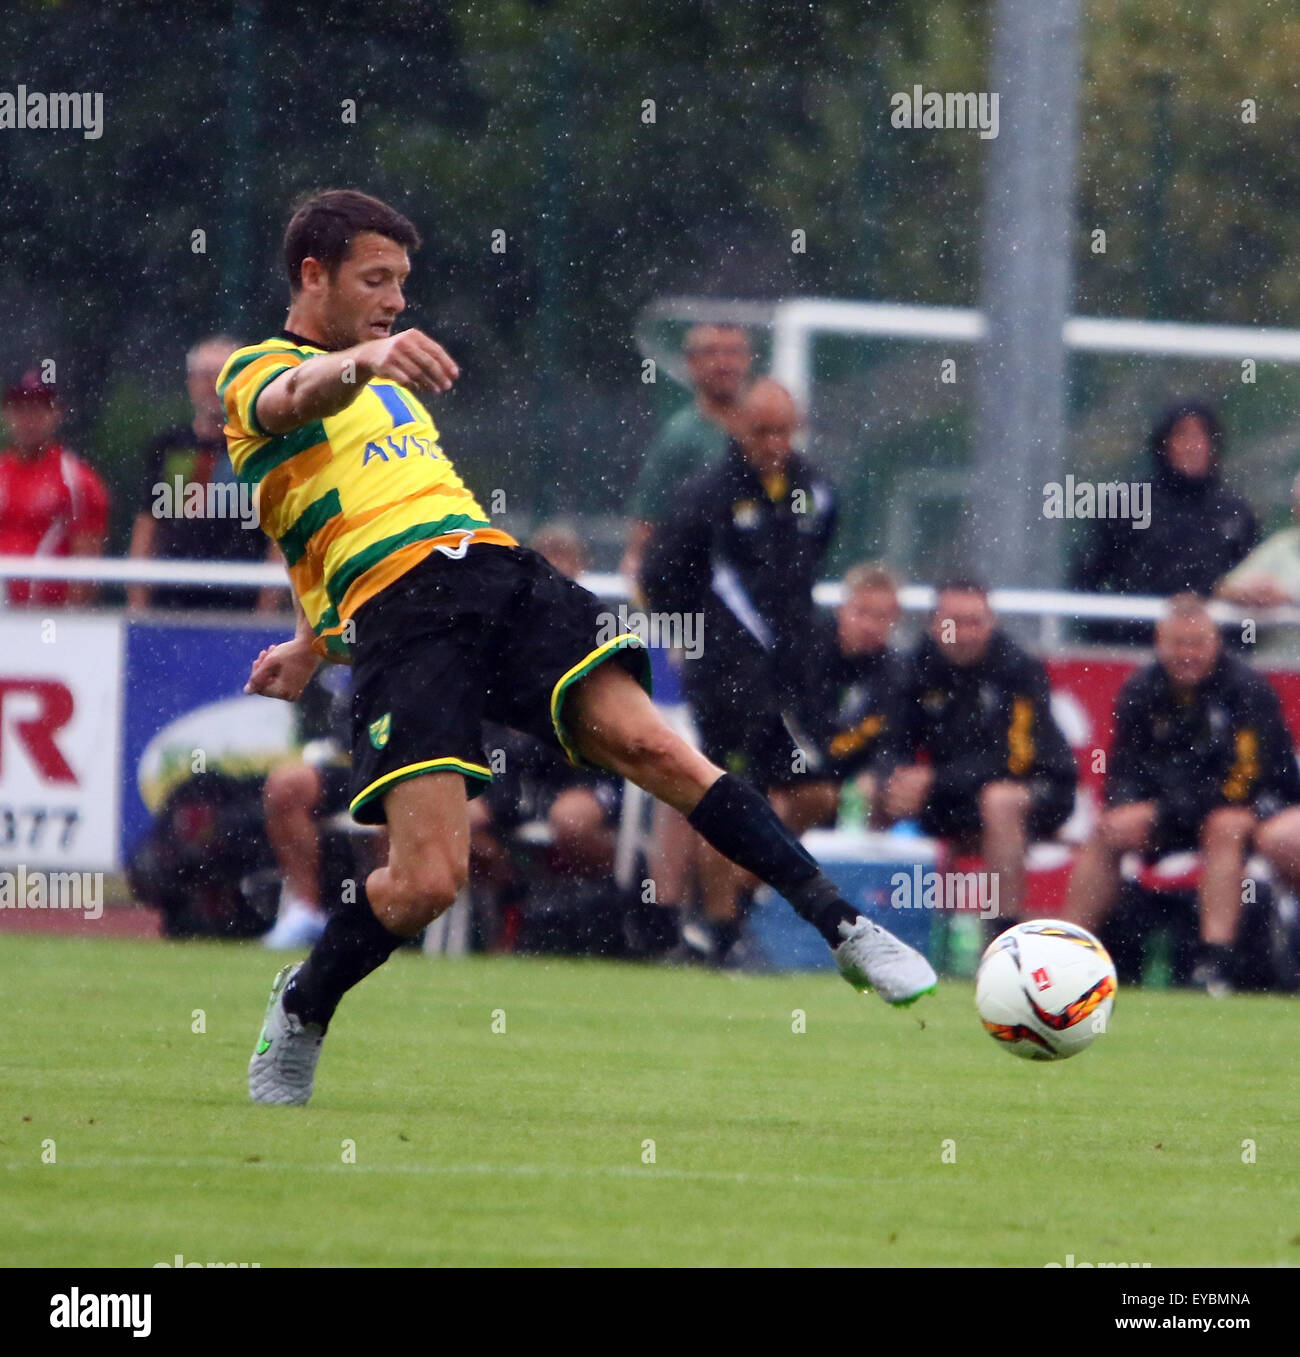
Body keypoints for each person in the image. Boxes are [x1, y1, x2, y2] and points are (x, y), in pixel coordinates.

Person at [223, 189, 934, 1105]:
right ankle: (305, 1002)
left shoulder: (392, 380)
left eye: (403, 281)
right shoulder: (260, 374)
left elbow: (356, 513)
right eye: (376, 280)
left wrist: (310, 642)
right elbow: (296, 415)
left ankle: (842, 926)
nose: (397, 300)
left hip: (496, 571)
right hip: (405, 620)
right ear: (312, 277)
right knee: (429, 879)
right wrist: (361, 365)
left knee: (655, 747)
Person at [640, 378, 839, 963]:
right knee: (734, 796)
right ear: (739, 430)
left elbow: (811, 564)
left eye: (785, 430)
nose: (775, 442)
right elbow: (658, 575)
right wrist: (702, 638)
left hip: (794, 677)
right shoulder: (708, 493)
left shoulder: (816, 490)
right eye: (763, 431)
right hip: (727, 679)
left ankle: (727, 908)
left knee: (816, 793)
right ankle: (721, 937)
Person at [1063, 594, 1300, 996]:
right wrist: (1126, 810)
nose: (1186, 654)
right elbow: (1122, 769)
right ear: (1160, 642)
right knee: (1107, 831)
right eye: (1178, 644)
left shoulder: (1246, 690)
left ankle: (1214, 962)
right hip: (1171, 814)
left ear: (1215, 643)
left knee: (1224, 825)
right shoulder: (1140, 689)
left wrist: (1163, 812)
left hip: (1255, 806)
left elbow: (1245, 779)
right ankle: (1065, 952)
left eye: (1196, 644)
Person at [872, 579, 1077, 922]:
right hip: (952, 794)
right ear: (934, 624)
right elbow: (888, 742)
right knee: (874, 790)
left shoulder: (1018, 669)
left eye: (976, 622)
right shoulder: (912, 668)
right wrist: (895, 779)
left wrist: (935, 780)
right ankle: (877, 920)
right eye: (955, 623)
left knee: (999, 800)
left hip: (1039, 788)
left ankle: (1002, 927)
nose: (966, 633)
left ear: (991, 623)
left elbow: (1016, 760)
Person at [1070, 401, 1258, 644]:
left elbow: (1250, 584)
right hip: (1135, 647)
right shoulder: (1130, 502)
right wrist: (1109, 639)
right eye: (1182, 435)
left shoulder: (1234, 512)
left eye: (1202, 436)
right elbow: (1086, 576)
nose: (1193, 446)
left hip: (1216, 656)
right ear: (1163, 445)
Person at [128, 335, 280, 612]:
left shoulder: (262, 450)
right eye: (205, 375)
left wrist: (266, 612)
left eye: (224, 375)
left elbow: (278, 538)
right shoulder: (168, 446)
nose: (213, 385)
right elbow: (147, 526)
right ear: (190, 383)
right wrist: (138, 607)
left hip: (240, 606)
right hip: (169, 605)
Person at [618, 323, 752, 586]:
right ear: (691, 363)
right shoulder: (680, 437)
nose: (724, 363)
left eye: (733, 352)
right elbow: (649, 518)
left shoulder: (766, 429)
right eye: (712, 352)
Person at [805, 561, 908, 822]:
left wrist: (877, 775)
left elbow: (894, 740)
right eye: (862, 612)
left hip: (858, 782)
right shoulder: (807, 657)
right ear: (842, 609)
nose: (871, 625)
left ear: (896, 619)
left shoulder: (898, 674)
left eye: (882, 616)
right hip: (804, 773)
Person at [0, 370, 109, 607]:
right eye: (20, 409)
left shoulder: (77, 481)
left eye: (38, 410)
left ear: (56, 414)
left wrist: (66, 627)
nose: (28, 419)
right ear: (7, 414)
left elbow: (87, 564)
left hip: (47, 619)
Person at [1215, 470, 1300, 658]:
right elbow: (1223, 589)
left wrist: (1289, 598)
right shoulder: (1281, 545)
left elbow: (1287, 596)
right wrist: (1248, 594)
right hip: (1275, 668)